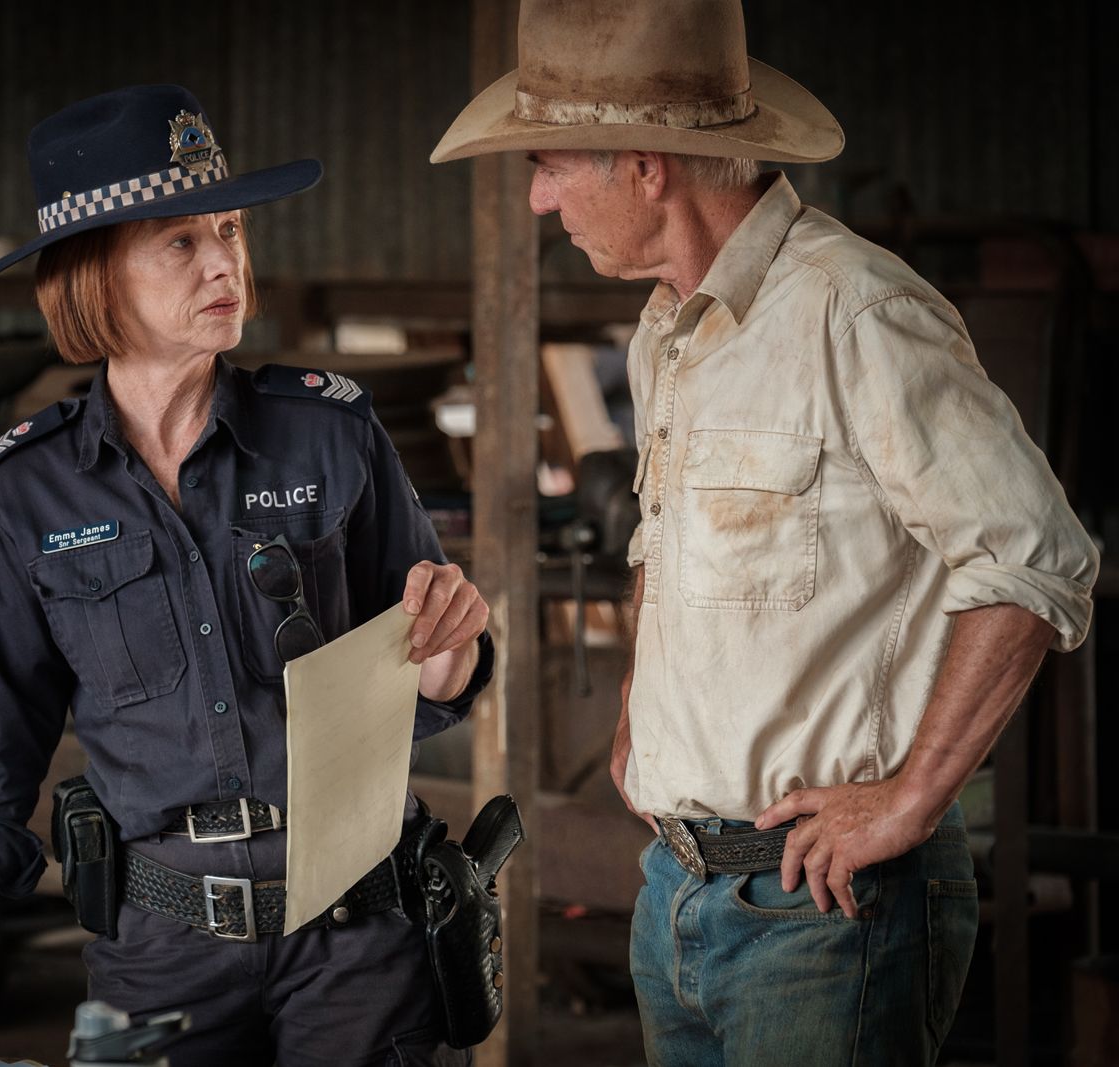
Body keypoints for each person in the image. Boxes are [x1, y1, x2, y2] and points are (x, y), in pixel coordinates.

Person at [431, 2, 1098, 1064]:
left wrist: (912, 794)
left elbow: (1034, 555)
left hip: (827, 906)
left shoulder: (856, 311)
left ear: (647, 163)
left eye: (555, 163)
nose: (537, 196)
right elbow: (664, 541)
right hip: (678, 889)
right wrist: (642, 716)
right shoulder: (665, 331)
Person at [0, 84, 493, 1067]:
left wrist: (452, 653)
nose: (225, 264)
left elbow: (434, 671)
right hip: (160, 948)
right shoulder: (25, 492)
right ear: (91, 276)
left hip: (359, 933)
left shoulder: (330, 434)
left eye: (231, 231)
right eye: (181, 243)